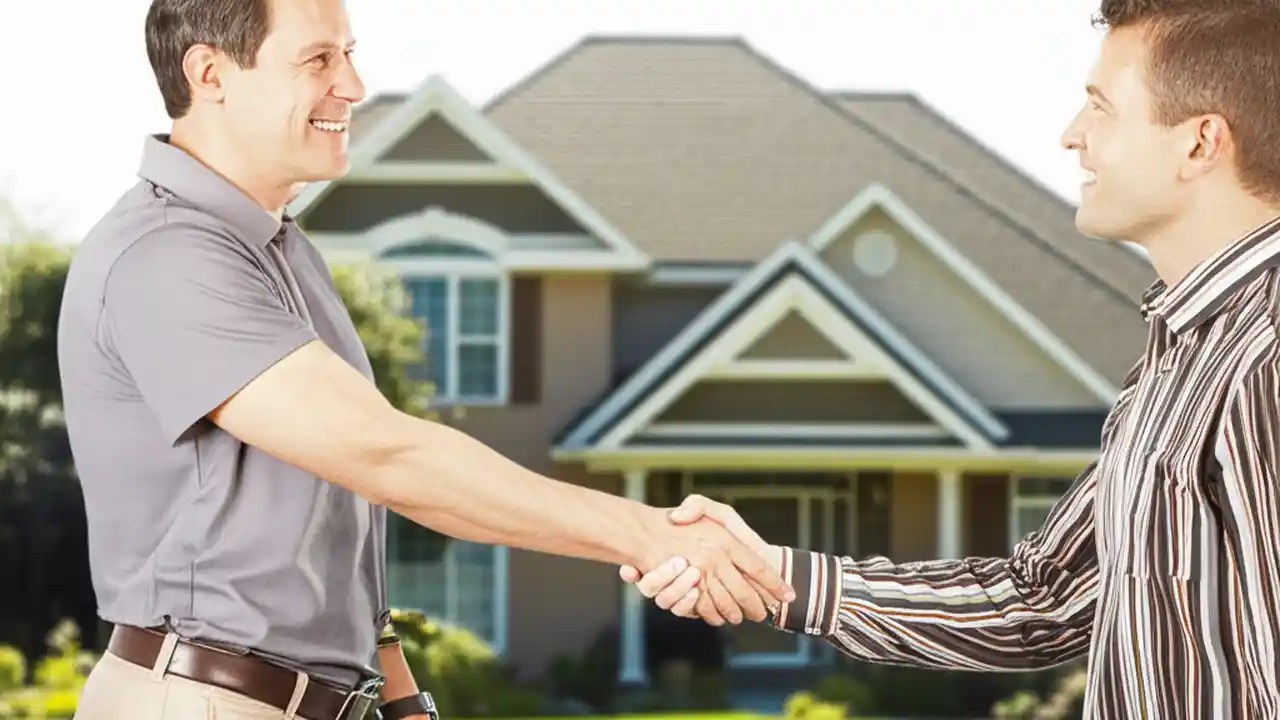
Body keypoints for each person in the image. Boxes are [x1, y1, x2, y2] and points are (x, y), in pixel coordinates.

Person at [57, 0, 793, 718]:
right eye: (318, 58)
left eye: (350, 54)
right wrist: (650, 534)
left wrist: (403, 698)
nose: (353, 86)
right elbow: (386, 456)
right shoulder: (167, 256)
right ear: (210, 73)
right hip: (201, 700)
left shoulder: (281, 254)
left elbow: (329, 515)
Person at [624, 1, 1280, 717]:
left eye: (1102, 109)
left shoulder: (1264, 361)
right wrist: (777, 576)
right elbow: (1045, 600)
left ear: (1200, 143)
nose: (1071, 137)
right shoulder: (1182, 355)